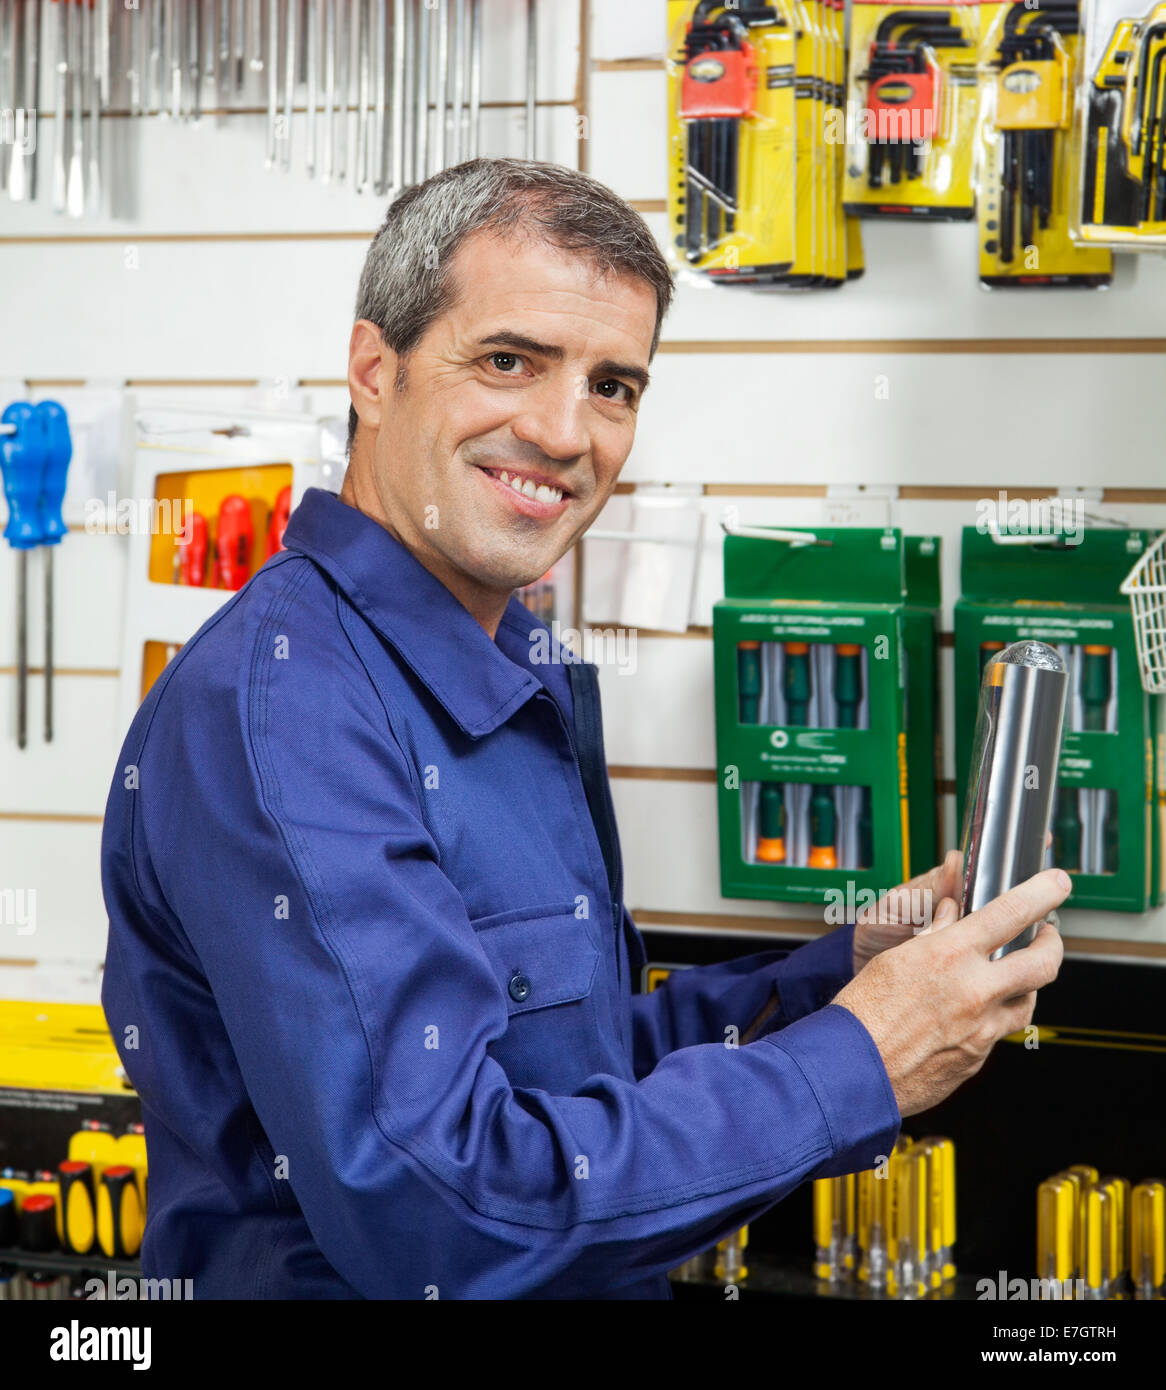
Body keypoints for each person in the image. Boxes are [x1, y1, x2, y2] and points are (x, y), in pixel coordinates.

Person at [100, 158, 1068, 1300]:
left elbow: (571, 1073)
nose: (566, 432)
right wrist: (858, 1060)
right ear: (374, 370)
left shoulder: (515, 666)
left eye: (613, 385)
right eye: (509, 360)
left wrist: (846, 980)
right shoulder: (288, 708)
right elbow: (438, 1207)